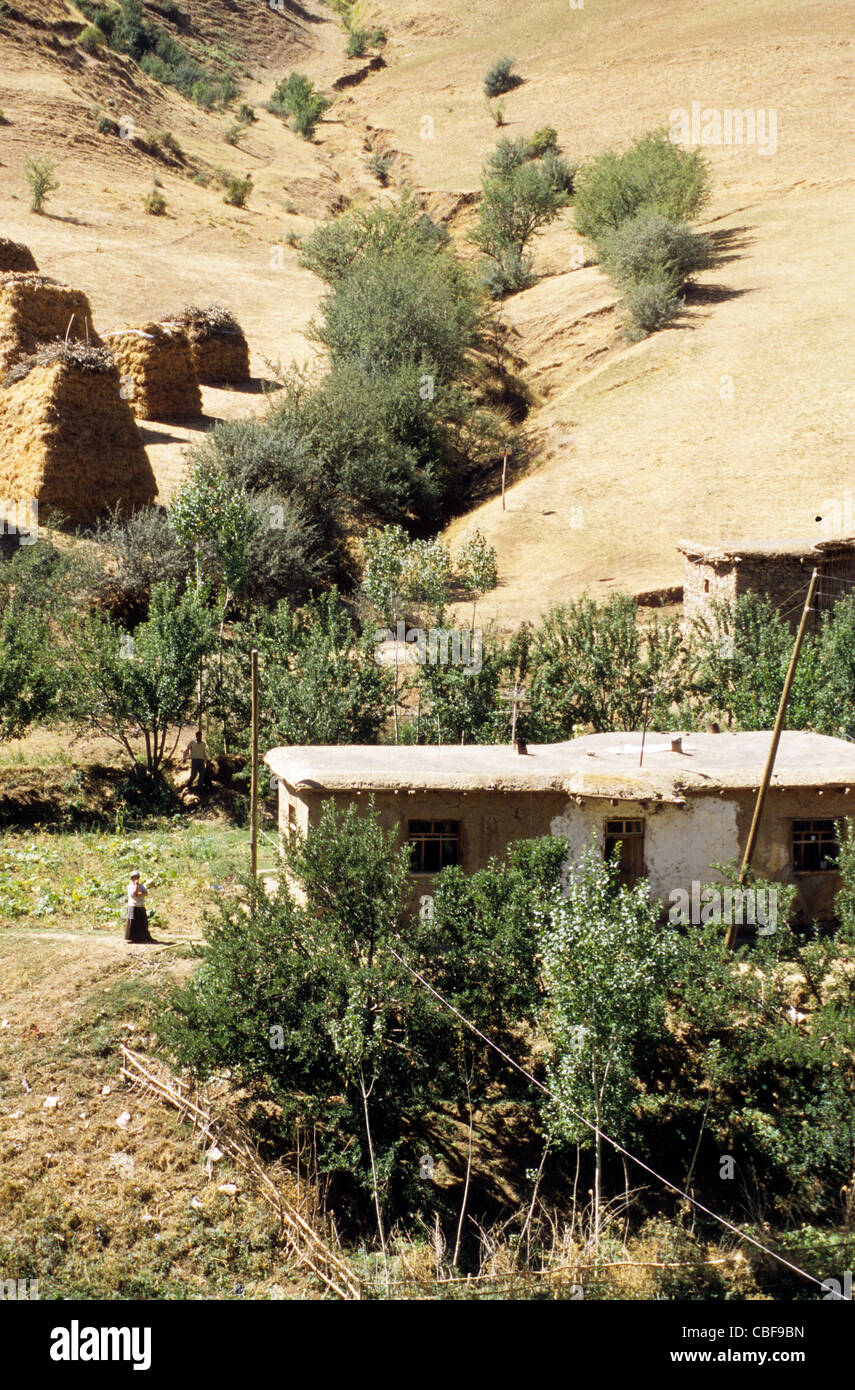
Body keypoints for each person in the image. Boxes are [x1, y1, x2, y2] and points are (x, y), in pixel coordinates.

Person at [124, 870, 153, 943]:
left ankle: (143, 937)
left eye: (137, 877)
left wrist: (139, 893)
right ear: (132, 878)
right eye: (135, 877)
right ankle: (131, 938)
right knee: (131, 922)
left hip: (140, 906)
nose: (136, 879)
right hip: (132, 906)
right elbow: (134, 894)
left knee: (143, 922)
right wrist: (136, 887)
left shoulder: (141, 885)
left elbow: (145, 893)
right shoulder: (130, 886)